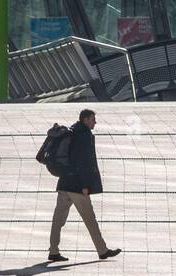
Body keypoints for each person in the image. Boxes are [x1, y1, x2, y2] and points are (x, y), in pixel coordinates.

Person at [48, 108, 122, 263]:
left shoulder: (71, 131)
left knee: (58, 220)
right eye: (93, 119)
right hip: (77, 186)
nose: (95, 122)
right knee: (90, 219)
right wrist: (85, 185)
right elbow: (84, 163)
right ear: (85, 119)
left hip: (64, 183)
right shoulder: (84, 135)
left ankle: (53, 251)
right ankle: (102, 251)